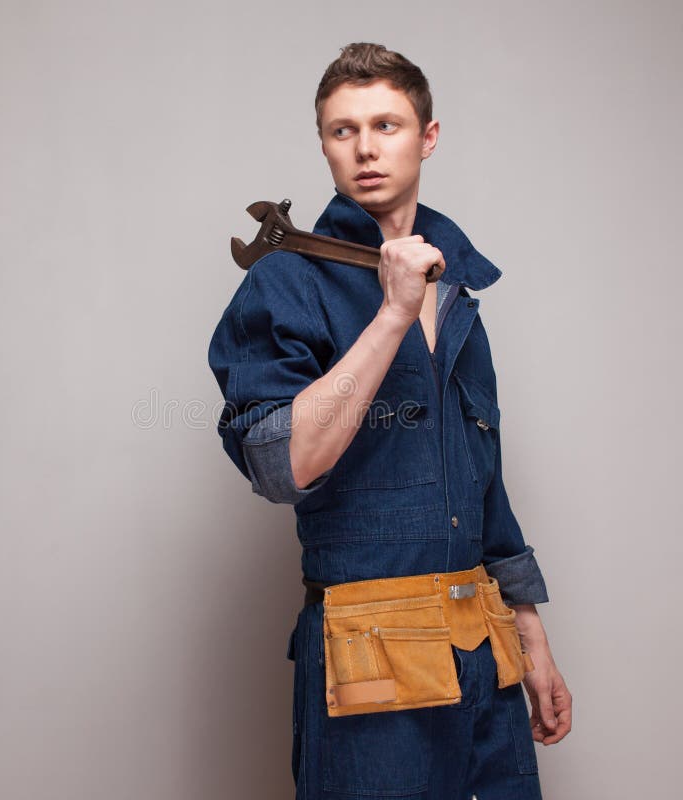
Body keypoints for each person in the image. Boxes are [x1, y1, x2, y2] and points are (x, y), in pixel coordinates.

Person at [208, 42, 571, 799]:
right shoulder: (286, 282)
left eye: (386, 124)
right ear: (323, 144)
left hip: (483, 646)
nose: (366, 148)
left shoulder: (460, 293)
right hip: (368, 654)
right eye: (343, 130)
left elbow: (484, 482)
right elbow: (283, 467)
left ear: (427, 137)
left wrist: (532, 639)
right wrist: (394, 311)